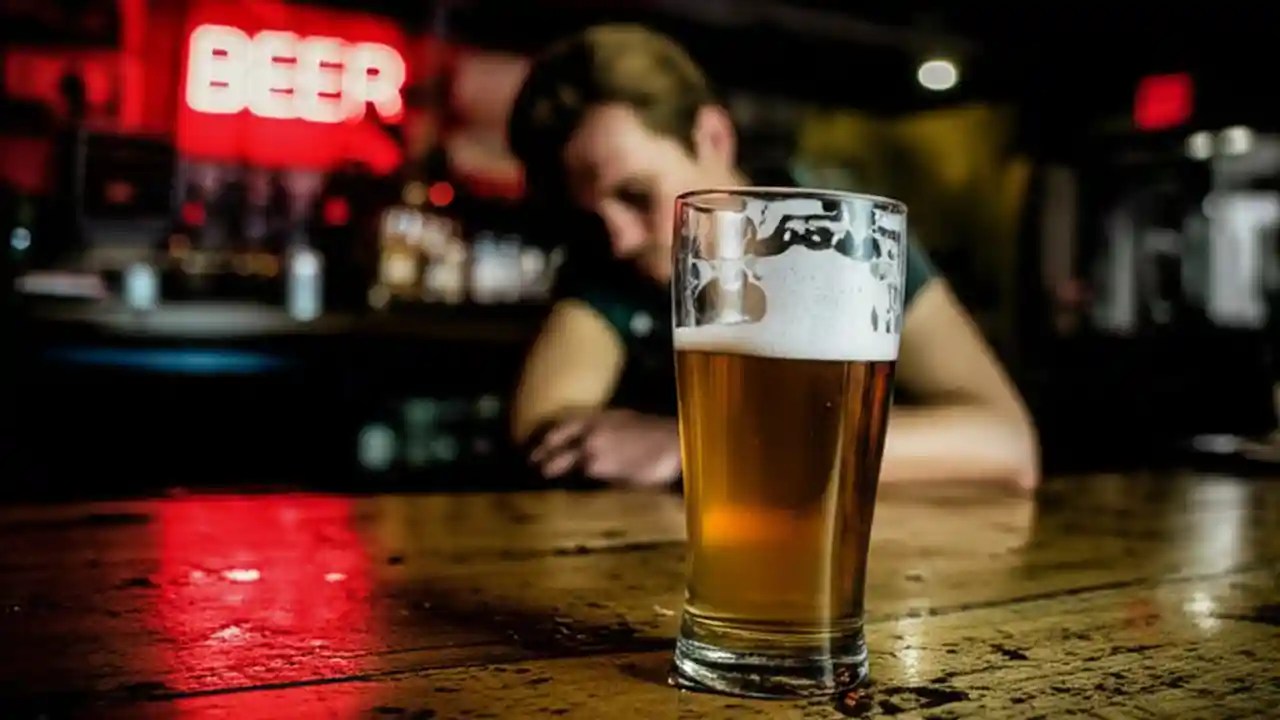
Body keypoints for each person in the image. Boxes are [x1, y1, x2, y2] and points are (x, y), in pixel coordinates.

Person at [507, 24, 1039, 490]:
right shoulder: (612, 263)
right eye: (591, 214)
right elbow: (546, 428)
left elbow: (1007, 444)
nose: (619, 237)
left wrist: (704, 449)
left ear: (712, 136)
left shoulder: (840, 241)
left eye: (636, 193)